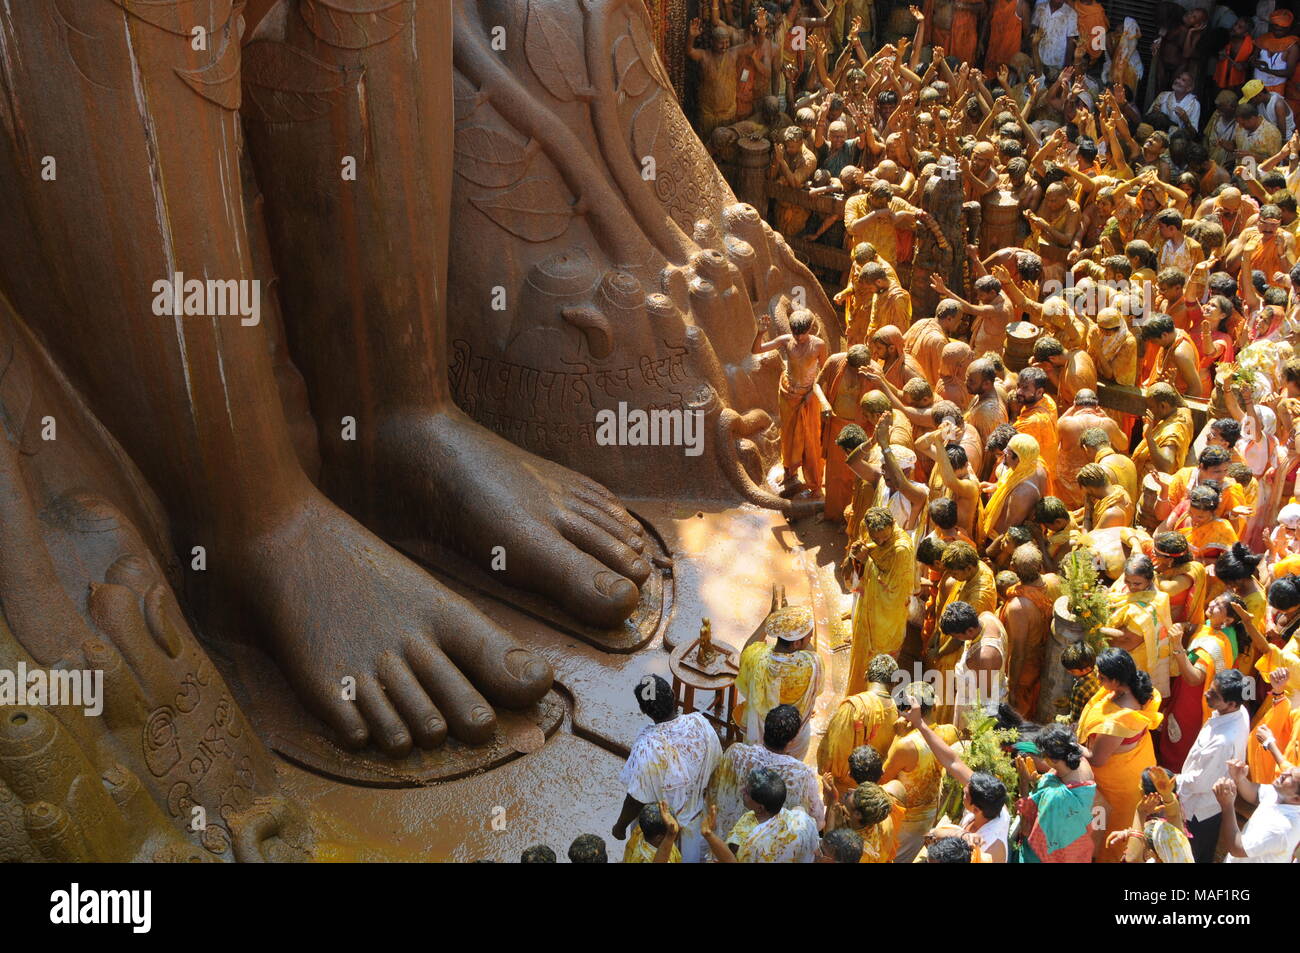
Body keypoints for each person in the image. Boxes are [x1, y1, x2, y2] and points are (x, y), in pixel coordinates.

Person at [615, 675, 722, 863]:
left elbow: (636, 798)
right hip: (696, 817)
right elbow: (716, 765)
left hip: (660, 831)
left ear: (642, 709)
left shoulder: (647, 747)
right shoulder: (700, 723)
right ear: (673, 695)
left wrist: (620, 826)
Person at [1078, 648, 1164, 862]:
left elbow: (1097, 758)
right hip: (1137, 763)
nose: (1098, 681)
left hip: (1117, 788)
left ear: (1116, 681)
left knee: (1110, 833)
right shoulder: (1140, 688)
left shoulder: (1117, 723)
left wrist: (1072, 745)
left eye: (1102, 677)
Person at [901, 700, 1012, 862]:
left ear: (975, 809)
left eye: (966, 794)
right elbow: (952, 761)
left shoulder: (991, 850)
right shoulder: (993, 802)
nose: (964, 788)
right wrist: (919, 723)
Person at [709, 704, 825, 836]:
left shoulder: (736, 753)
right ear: (792, 741)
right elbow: (816, 822)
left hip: (726, 840)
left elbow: (712, 790)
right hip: (770, 849)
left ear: (765, 728)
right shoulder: (803, 774)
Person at [1174, 669, 1251, 862]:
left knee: (1192, 855)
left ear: (1231, 703)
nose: (1206, 694)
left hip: (1198, 811)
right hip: (1210, 807)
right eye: (1210, 689)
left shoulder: (1223, 741)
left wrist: (1172, 780)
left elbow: (1199, 783)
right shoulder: (1239, 711)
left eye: (1214, 695)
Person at [882, 681, 960, 862]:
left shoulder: (906, 744)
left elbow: (883, 780)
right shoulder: (951, 732)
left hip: (905, 823)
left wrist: (898, 736)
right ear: (934, 706)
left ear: (909, 709)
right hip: (934, 815)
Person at [754, 311, 829, 496]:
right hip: (788, 394)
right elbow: (756, 350)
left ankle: (815, 482)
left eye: (802, 333)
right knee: (787, 434)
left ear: (810, 329)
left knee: (810, 437)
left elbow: (825, 372)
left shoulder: (819, 345)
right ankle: (789, 472)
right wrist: (760, 332)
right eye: (796, 333)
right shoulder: (786, 340)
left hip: (809, 396)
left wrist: (813, 392)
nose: (799, 337)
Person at [734, 605, 823, 757]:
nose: (810, 640)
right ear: (796, 644)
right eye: (809, 637)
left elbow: (746, 651)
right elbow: (811, 651)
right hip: (796, 737)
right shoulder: (812, 664)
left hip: (762, 733)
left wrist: (771, 617)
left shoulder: (757, 659)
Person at [846, 508, 916, 692]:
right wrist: (859, 554)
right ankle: (858, 691)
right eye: (875, 538)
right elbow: (869, 555)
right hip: (870, 601)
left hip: (888, 612)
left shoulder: (901, 549)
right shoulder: (867, 528)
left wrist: (866, 561)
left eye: (885, 538)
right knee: (862, 648)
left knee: (879, 654)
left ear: (893, 524)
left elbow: (891, 588)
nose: (881, 542)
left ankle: (877, 695)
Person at [817, 653, 900, 796]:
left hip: (843, 791)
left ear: (866, 675)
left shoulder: (853, 707)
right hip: (873, 791)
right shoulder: (898, 714)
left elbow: (833, 753)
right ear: (894, 683)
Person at [1014, 723, 1098, 863]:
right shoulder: (1079, 761)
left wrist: (1023, 783)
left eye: (1043, 756)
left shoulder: (1057, 798)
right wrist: (1036, 781)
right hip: (1076, 850)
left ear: (1053, 759)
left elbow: (1026, 829)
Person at [703, 767, 820, 863]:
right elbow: (800, 810)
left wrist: (709, 835)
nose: (742, 791)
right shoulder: (802, 819)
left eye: (747, 792)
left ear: (760, 808)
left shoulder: (748, 835)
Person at [1215, 759, 1300, 863]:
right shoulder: (1282, 794)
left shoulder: (1282, 829)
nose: (1284, 773)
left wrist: (1227, 805)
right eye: (1289, 770)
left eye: (1291, 777)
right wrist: (1240, 779)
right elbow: (1255, 794)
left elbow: (1237, 848)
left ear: (1296, 799)